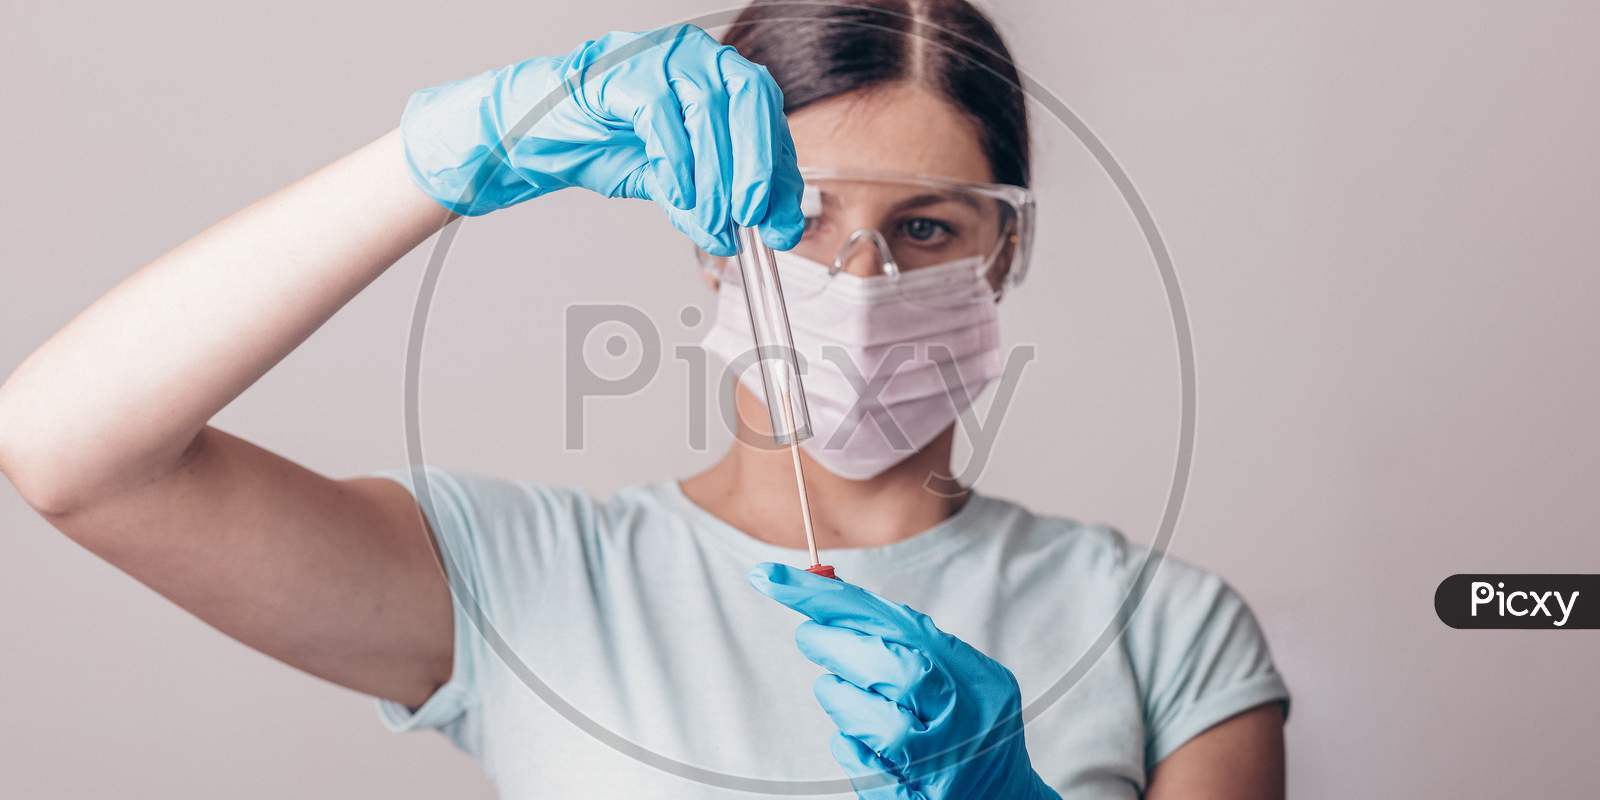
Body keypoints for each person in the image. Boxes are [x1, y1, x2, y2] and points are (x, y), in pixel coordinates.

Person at [0, 1, 1288, 797]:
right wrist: (444, 157)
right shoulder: (524, 581)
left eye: (929, 227)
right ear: (713, 233)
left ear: (1002, 251)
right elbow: (71, 454)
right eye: (798, 214)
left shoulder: (1168, 632)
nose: (859, 276)